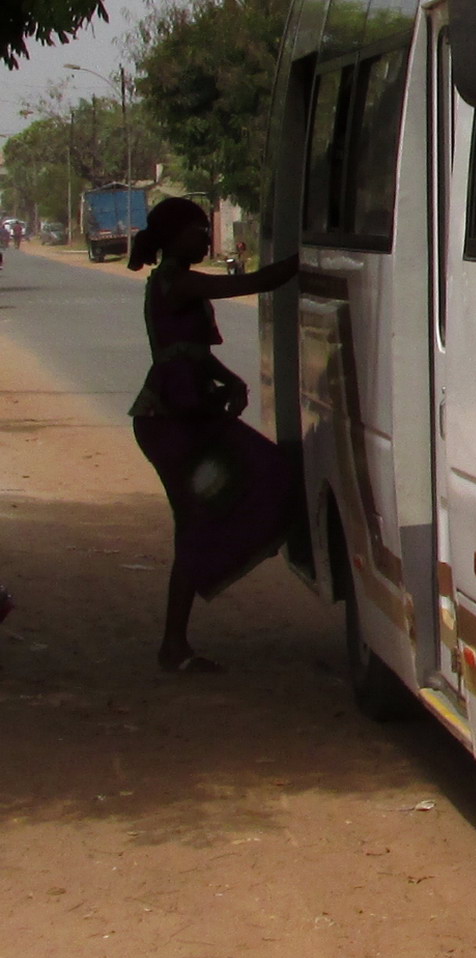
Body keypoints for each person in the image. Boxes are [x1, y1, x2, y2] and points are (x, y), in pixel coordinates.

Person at [127, 198, 298, 671]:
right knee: (202, 518)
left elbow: (189, 352)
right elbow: (251, 283)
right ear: (174, 237)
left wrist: (230, 380)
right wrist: (306, 258)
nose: (206, 238)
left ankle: (175, 641)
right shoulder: (177, 282)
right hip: (173, 422)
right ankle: (173, 644)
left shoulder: (177, 282)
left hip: (190, 416)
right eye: (198, 231)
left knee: (228, 499)